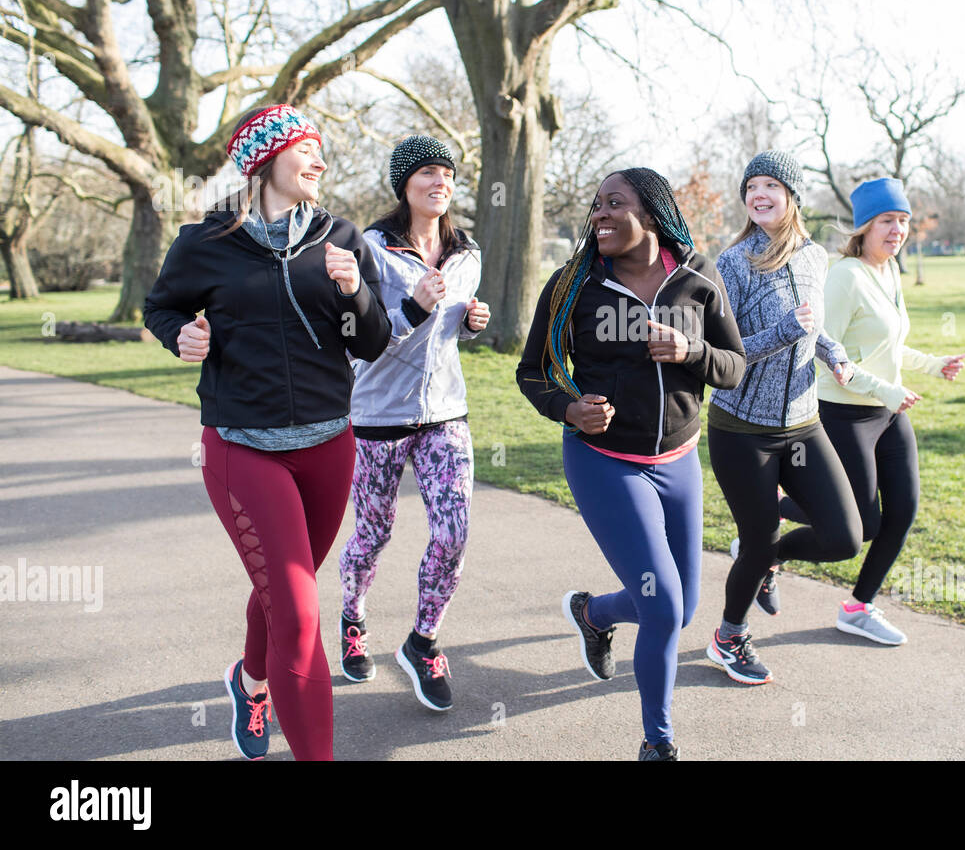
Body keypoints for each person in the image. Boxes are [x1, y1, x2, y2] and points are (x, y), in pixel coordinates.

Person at [144, 104, 391, 761]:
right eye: (307, 148)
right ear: (265, 160)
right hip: (243, 448)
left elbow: (373, 341)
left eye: (321, 151)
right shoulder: (206, 242)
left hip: (330, 446)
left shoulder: (340, 238)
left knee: (289, 588)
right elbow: (161, 304)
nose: (320, 162)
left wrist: (356, 293)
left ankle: (249, 682)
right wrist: (183, 335)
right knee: (301, 613)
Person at [516, 167, 745, 760]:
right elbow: (532, 371)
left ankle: (593, 614)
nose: (600, 215)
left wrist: (690, 349)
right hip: (605, 462)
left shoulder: (698, 277)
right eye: (596, 206)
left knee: (682, 608)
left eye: (614, 204)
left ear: (651, 213)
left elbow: (735, 366)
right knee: (664, 606)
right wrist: (569, 410)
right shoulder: (573, 286)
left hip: (679, 460)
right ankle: (657, 743)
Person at [337, 135, 490, 712]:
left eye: (447, 174)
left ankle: (423, 641)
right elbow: (359, 337)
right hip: (378, 413)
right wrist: (413, 309)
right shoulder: (370, 249)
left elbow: (448, 338)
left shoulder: (467, 252)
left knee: (454, 532)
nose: (440, 182)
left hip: (445, 414)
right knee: (373, 534)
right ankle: (353, 617)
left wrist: (469, 324)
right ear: (404, 184)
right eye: (427, 172)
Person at [780, 177, 965, 645]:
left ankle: (858, 607)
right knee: (861, 524)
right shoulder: (845, 276)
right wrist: (883, 390)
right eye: (887, 220)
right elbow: (829, 352)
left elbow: (891, 345)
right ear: (864, 226)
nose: (897, 230)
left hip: (888, 412)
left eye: (903, 220)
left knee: (902, 512)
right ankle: (767, 540)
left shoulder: (890, 271)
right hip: (845, 413)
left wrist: (934, 364)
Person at [705, 150, 863, 685]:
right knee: (758, 538)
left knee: (844, 535)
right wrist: (785, 334)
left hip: (802, 421)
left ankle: (772, 560)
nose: (759, 195)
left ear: (792, 196)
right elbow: (722, 354)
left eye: (771, 185)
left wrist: (833, 351)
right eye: (752, 187)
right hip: (741, 429)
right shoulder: (733, 263)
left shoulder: (815, 257)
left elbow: (810, 325)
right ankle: (729, 637)